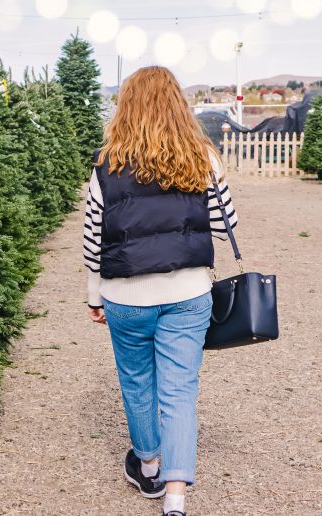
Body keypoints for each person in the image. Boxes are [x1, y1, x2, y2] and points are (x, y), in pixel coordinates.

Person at [82, 66, 238, 516]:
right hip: (187, 293)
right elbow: (225, 227)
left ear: (125, 107)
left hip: (125, 295)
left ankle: (148, 465)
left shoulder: (106, 164)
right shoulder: (203, 158)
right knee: (180, 391)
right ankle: (175, 498)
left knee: (136, 382)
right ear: (179, 105)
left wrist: (94, 296)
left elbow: (94, 239)